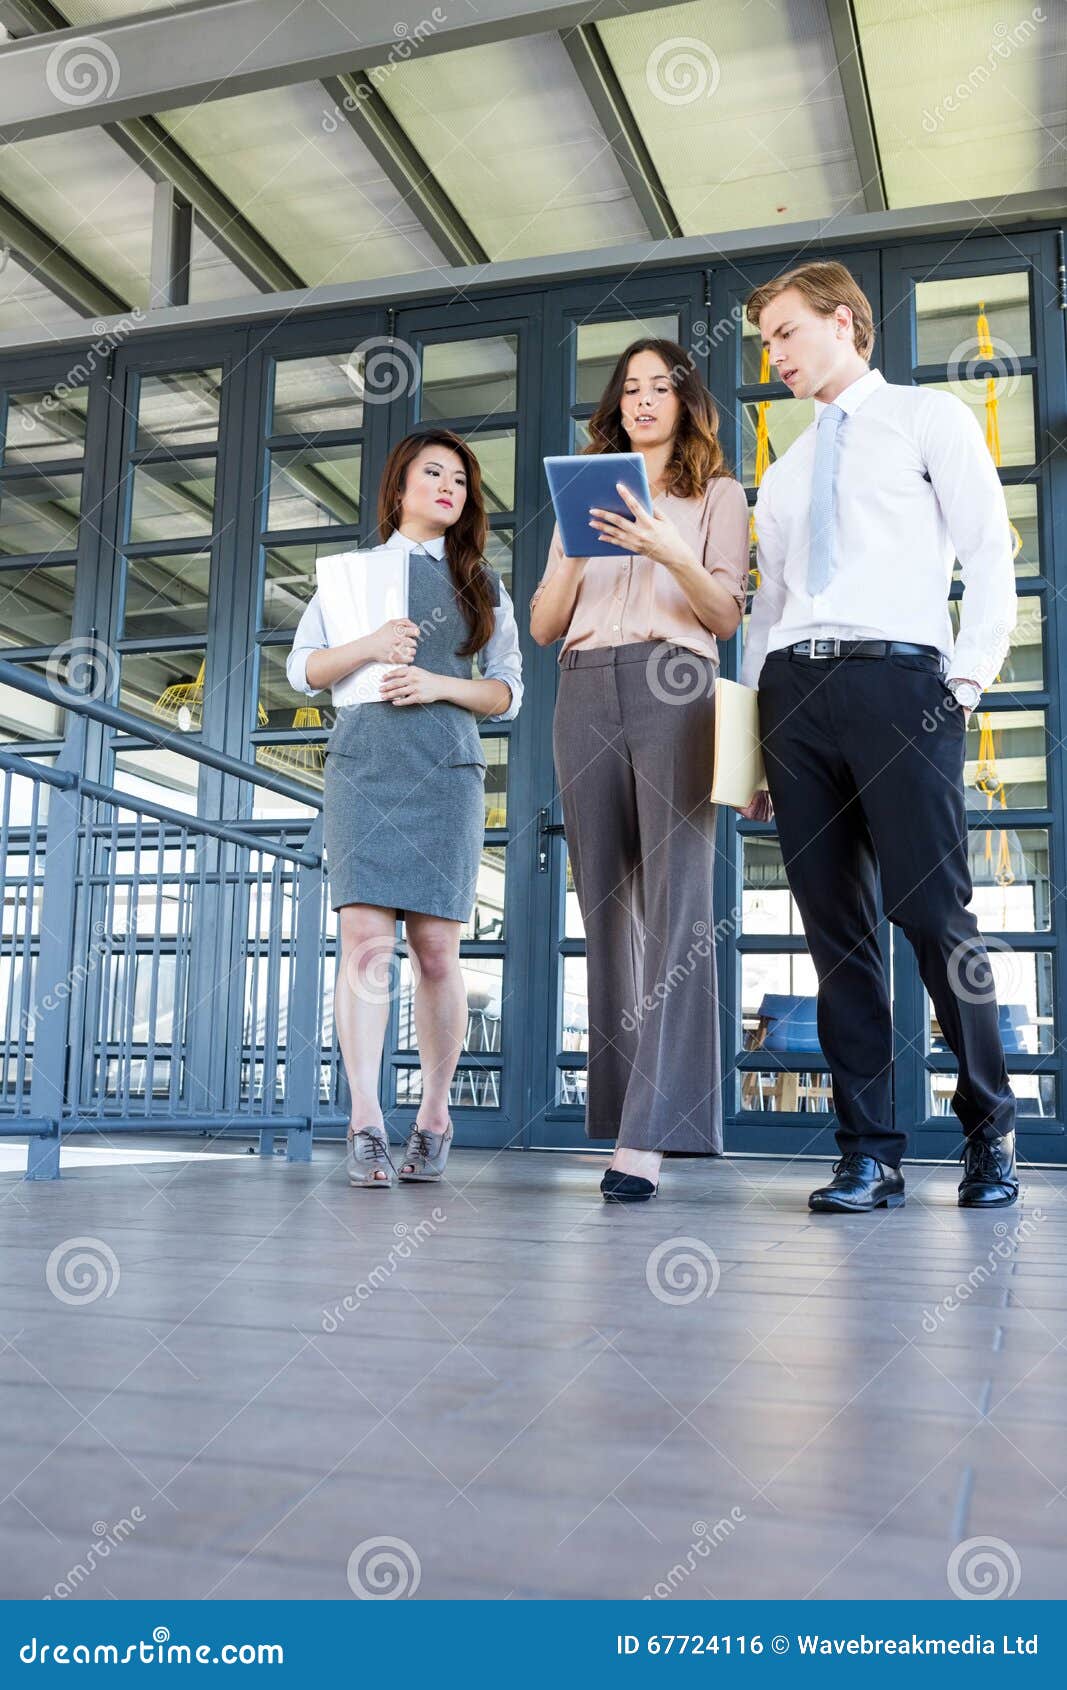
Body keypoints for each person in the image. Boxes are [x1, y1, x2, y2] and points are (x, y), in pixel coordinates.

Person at [739, 260, 1019, 1213]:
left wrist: (969, 678)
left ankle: (990, 1132)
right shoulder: (779, 476)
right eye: (764, 340)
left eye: (784, 332)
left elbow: (989, 551)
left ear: (844, 322)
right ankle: (869, 1151)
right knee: (834, 935)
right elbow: (765, 611)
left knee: (934, 916)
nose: (771, 354)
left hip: (905, 683)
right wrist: (750, 747)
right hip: (794, 693)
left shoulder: (927, 417)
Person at [531, 338, 749, 1203]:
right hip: (582, 687)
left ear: (685, 401)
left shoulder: (718, 495)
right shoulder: (579, 497)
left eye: (662, 387)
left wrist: (667, 549)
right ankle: (632, 1116)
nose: (644, 400)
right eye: (631, 388)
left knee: (678, 904)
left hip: (676, 685)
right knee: (605, 910)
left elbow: (724, 611)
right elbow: (546, 625)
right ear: (615, 404)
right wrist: (581, 549)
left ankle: (649, 1136)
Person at [287, 429, 523, 1188]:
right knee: (363, 947)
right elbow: (303, 671)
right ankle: (363, 1119)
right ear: (398, 488)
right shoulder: (348, 575)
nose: (449, 486)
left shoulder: (481, 583)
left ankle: (433, 1113)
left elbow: (506, 690)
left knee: (434, 953)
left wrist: (437, 685)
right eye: (433, 473)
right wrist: (368, 645)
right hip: (365, 767)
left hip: (444, 769)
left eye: (460, 478)